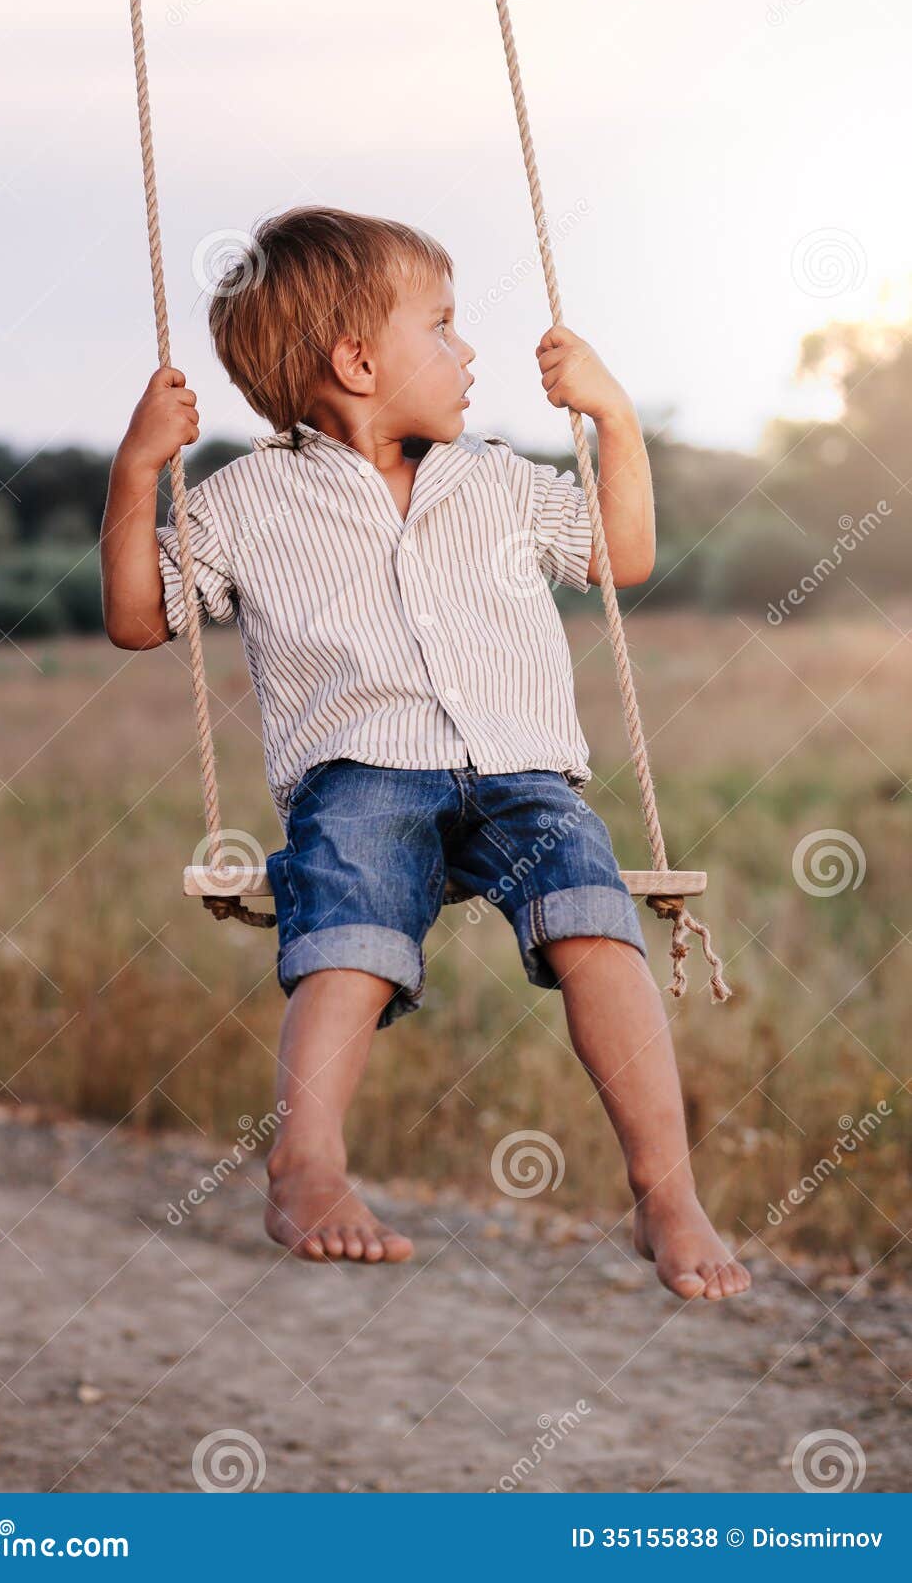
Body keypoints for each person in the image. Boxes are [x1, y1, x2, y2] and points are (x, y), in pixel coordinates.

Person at [99, 205, 750, 1302]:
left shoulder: (495, 479)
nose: (469, 350)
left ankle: (665, 1190)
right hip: (361, 770)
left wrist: (612, 416)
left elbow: (620, 552)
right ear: (357, 362)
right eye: (442, 327)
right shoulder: (249, 501)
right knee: (349, 933)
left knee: (597, 927)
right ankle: (306, 1164)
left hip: (522, 770)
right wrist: (135, 469)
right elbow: (133, 616)